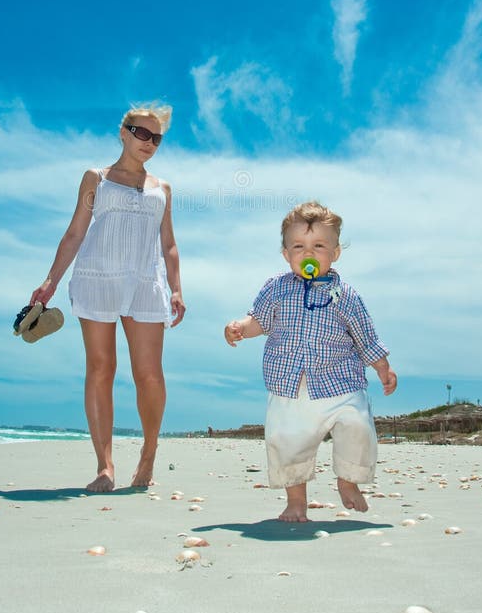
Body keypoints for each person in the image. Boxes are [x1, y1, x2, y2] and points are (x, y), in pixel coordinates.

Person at [29, 103, 186, 492]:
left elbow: (168, 244)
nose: (149, 142)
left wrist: (177, 286)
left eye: (157, 137)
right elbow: (75, 232)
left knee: (149, 374)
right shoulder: (95, 179)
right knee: (101, 368)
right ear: (124, 132)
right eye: (141, 133)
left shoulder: (162, 189)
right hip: (97, 277)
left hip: (146, 284)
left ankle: (148, 457)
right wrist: (50, 280)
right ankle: (106, 466)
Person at [224, 201, 397, 522]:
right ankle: (296, 502)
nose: (308, 253)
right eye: (298, 247)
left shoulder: (345, 294)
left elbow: (365, 336)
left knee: (357, 427)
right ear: (286, 254)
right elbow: (259, 321)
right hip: (291, 385)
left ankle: (347, 481)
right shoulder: (276, 289)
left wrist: (382, 367)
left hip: (340, 383)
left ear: (335, 252)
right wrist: (239, 328)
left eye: (319, 246)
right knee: (288, 443)